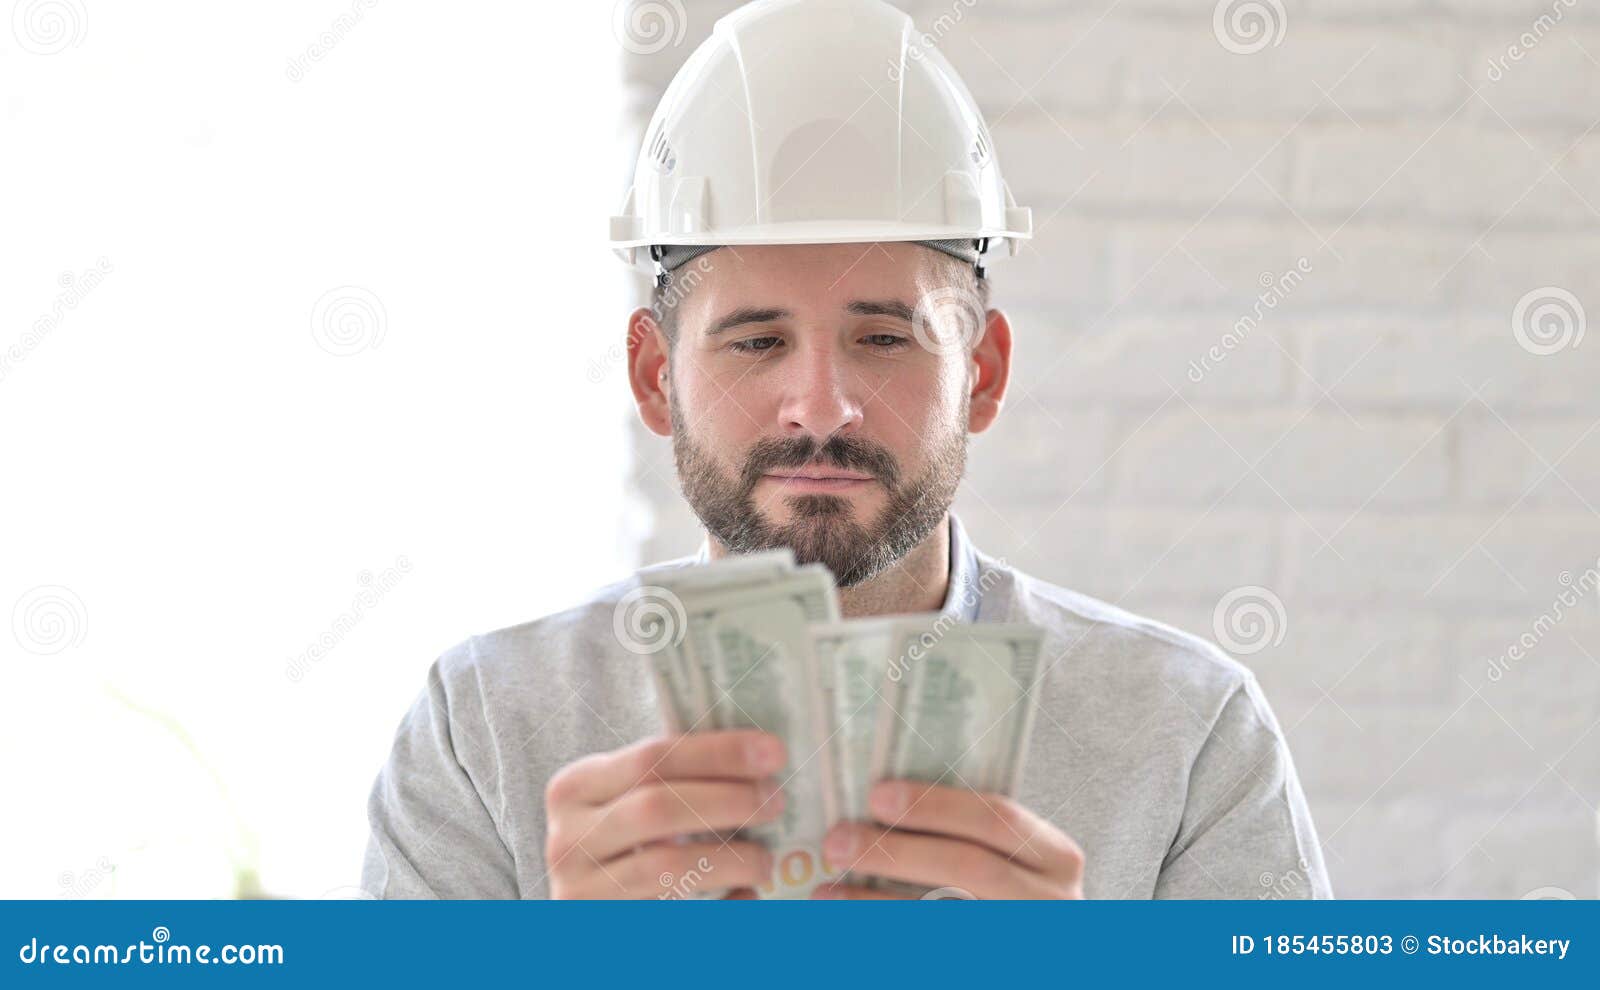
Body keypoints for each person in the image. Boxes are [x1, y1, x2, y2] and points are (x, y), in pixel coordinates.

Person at [361, 0, 1331, 900]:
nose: (820, 407)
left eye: (883, 337)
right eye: (755, 341)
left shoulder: (1187, 732)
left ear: (982, 375)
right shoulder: (484, 728)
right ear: (655, 376)